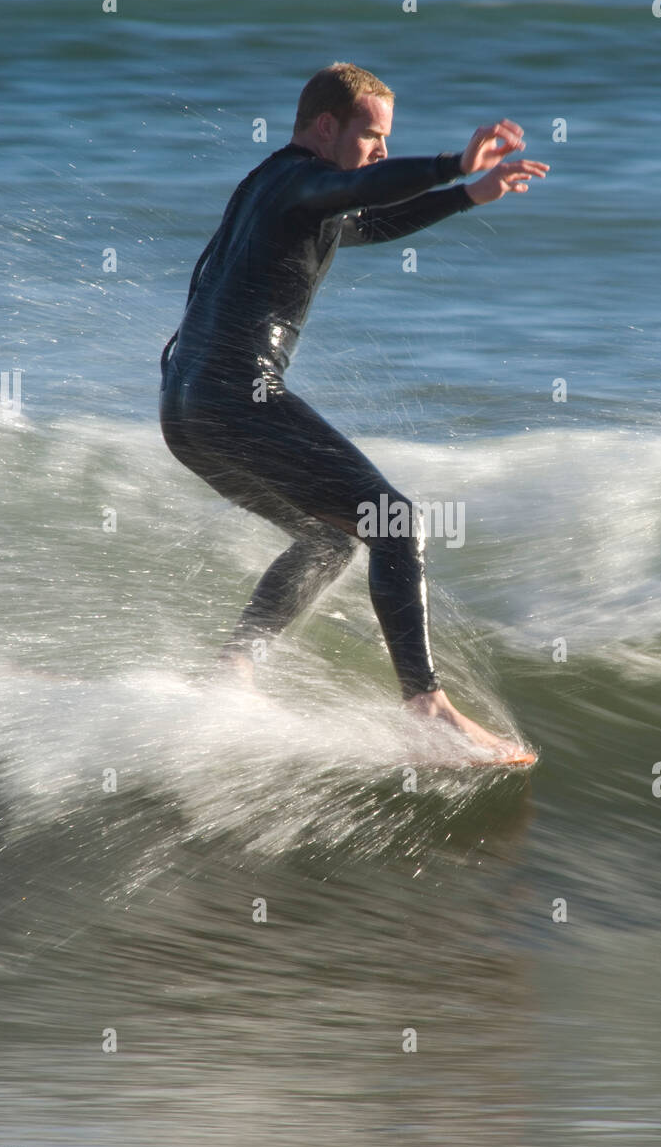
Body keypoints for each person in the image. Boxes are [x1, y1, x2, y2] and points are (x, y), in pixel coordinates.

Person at [159, 62, 548, 761]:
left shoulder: (272, 187)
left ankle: (232, 669)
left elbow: (365, 219)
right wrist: (451, 163)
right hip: (235, 398)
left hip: (185, 407)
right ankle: (425, 704)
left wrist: (468, 193)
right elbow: (360, 188)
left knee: (330, 539)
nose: (380, 152)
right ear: (325, 126)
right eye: (371, 135)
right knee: (395, 523)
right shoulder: (301, 179)